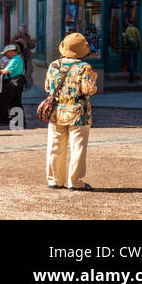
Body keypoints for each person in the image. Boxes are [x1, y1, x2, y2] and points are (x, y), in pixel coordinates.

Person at [44, 33, 98, 191]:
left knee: (55, 147)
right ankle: (75, 181)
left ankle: (55, 179)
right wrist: (93, 82)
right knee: (78, 147)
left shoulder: (54, 65)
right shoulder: (84, 67)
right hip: (78, 112)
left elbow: (48, 87)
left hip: (57, 110)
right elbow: (88, 90)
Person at [0, 43, 27, 128]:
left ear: (12, 52)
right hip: (15, 83)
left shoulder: (15, 60)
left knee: (5, 101)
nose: (6, 55)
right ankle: (19, 121)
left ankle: (4, 120)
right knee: (15, 102)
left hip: (12, 83)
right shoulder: (17, 59)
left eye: (6, 53)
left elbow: (5, 71)